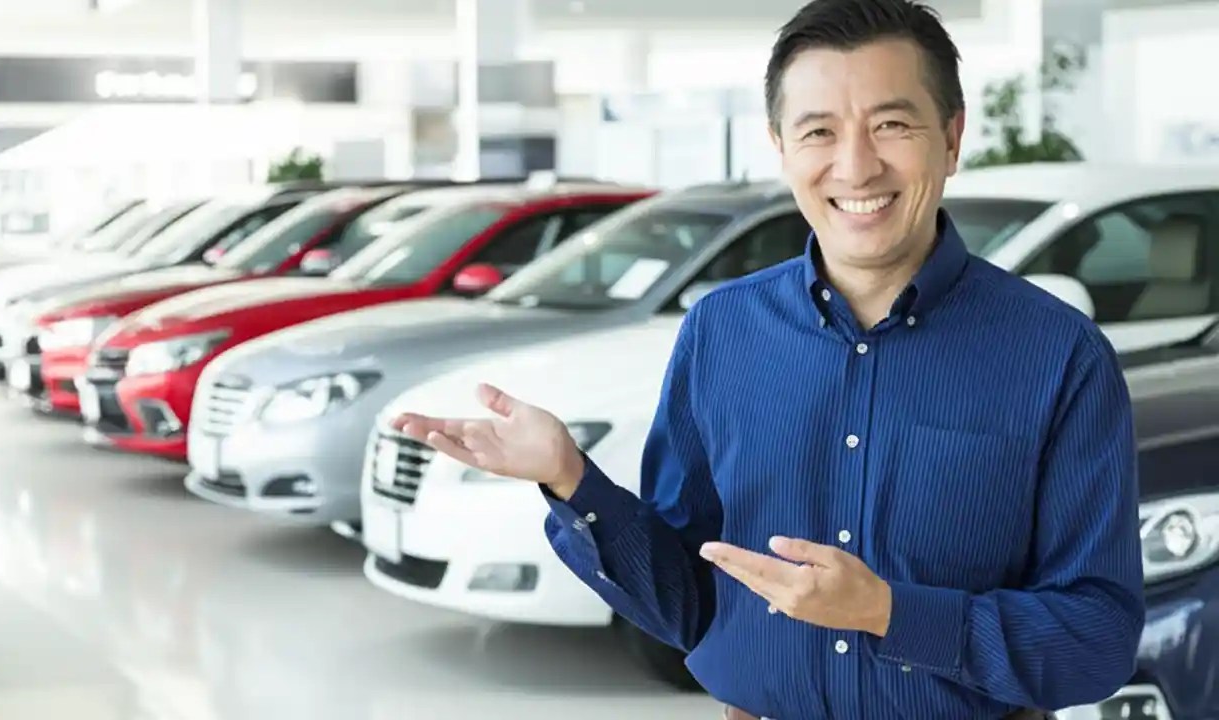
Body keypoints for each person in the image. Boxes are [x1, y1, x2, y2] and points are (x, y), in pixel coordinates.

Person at [390, 0, 1146, 717]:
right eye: (819, 131)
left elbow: (1097, 641)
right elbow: (689, 603)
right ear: (781, 147)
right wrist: (570, 479)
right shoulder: (721, 333)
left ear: (951, 138)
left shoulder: (1058, 355)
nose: (856, 167)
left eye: (891, 124)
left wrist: (889, 612)